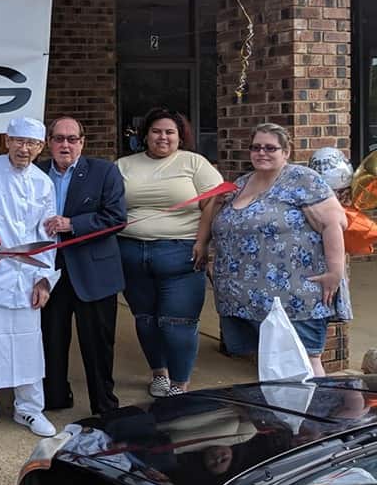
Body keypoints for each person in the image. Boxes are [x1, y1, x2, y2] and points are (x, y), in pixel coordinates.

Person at [203, 123, 348, 377]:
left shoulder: (303, 179)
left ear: (286, 151)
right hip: (247, 299)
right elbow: (218, 216)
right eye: (256, 147)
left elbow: (334, 222)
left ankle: (314, 413)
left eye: (271, 148)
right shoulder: (242, 183)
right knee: (271, 365)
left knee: (304, 362)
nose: (262, 153)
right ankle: (279, 415)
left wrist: (335, 272)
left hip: (295, 296)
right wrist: (201, 244)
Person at [0, 117, 60, 444]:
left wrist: (45, 279)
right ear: (7, 141)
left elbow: (47, 236)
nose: (24, 148)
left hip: (28, 274)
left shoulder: (44, 183)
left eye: (32, 143)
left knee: (29, 344)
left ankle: (29, 407)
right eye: (18, 141)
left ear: (41, 147)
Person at [116, 107, 223, 397]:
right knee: (146, 319)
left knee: (178, 322)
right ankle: (159, 374)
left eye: (169, 132)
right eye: (156, 131)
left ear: (180, 136)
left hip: (180, 253)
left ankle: (179, 382)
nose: (162, 137)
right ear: (145, 135)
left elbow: (212, 204)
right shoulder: (124, 165)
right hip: (130, 253)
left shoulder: (194, 163)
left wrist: (203, 243)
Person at [39, 115, 127, 415]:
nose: (65, 144)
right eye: (59, 138)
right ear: (48, 143)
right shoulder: (35, 173)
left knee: (98, 345)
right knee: (50, 339)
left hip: (94, 272)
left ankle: (104, 405)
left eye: (72, 139)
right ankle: (54, 397)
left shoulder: (104, 171)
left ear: (82, 142)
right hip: (48, 271)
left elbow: (116, 217)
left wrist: (71, 224)